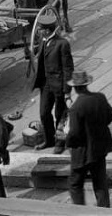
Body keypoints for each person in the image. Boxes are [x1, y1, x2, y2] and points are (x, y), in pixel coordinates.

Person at [64, 71, 112, 208]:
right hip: (99, 148)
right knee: (100, 184)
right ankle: (104, 211)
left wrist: (66, 140)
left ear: (75, 88)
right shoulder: (100, 98)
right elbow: (111, 115)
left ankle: (80, 211)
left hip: (81, 153)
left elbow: (74, 133)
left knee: (75, 184)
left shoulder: (75, 108)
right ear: (87, 84)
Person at [34, 9, 74, 152]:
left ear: (46, 30)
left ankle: (59, 143)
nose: (38, 30)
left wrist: (67, 92)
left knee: (60, 115)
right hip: (46, 85)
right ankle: (49, 140)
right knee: (44, 113)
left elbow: (68, 69)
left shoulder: (62, 44)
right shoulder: (43, 42)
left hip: (58, 86)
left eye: (40, 28)